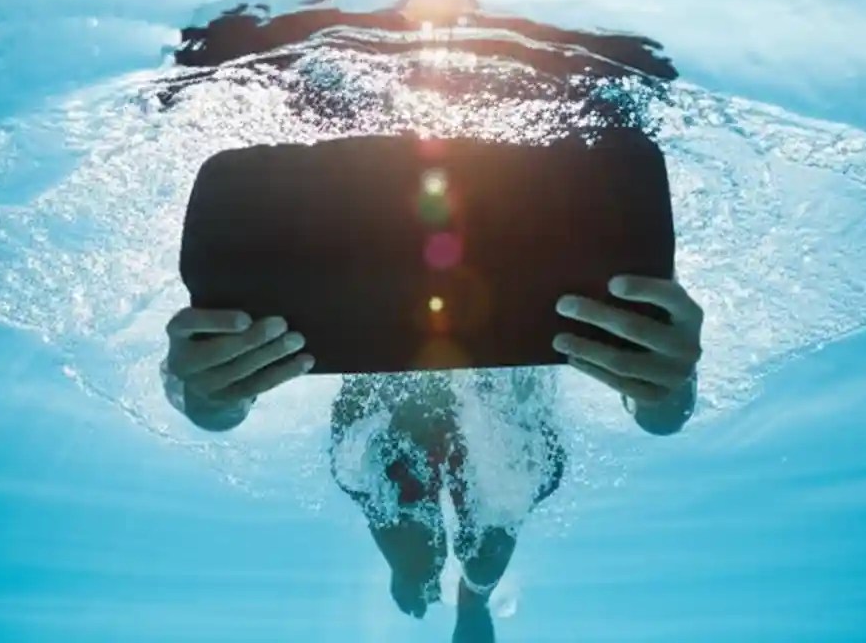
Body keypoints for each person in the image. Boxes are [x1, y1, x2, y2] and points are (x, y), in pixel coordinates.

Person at [162, 273, 702, 642]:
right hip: (405, 412)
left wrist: (668, 394)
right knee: (430, 528)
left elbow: (653, 400)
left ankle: (472, 597)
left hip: (452, 411)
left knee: (479, 522)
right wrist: (209, 399)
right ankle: (433, 582)